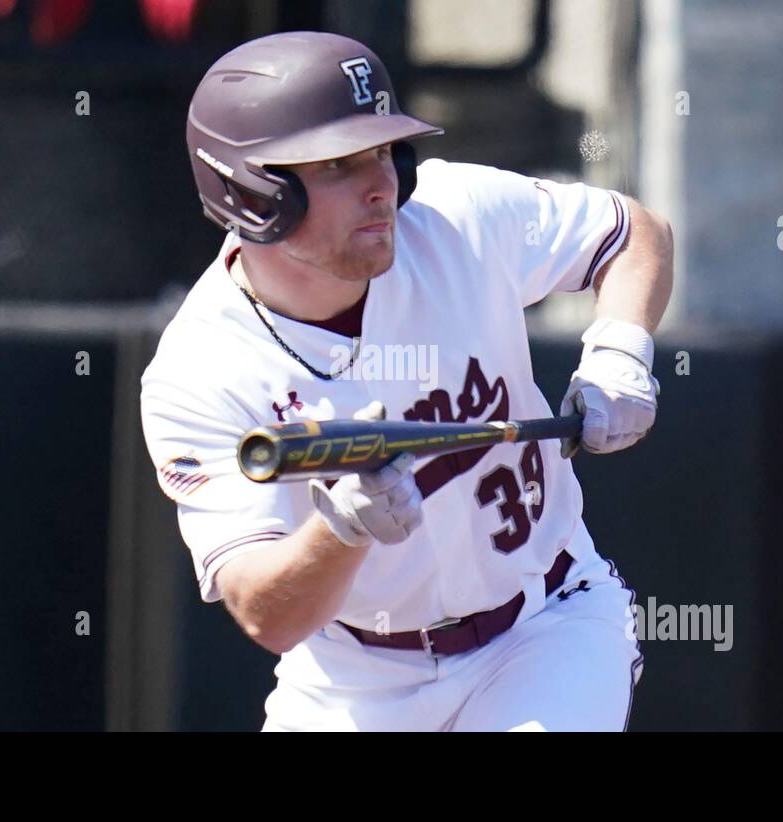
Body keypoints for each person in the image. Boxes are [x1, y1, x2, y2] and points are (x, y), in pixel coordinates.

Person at [141, 30, 673, 731]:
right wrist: (340, 530)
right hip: (353, 676)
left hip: (543, 624)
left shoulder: (453, 217)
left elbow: (633, 231)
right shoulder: (198, 371)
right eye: (338, 164)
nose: (382, 184)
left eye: (387, 152)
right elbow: (264, 613)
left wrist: (620, 349)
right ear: (254, 193)